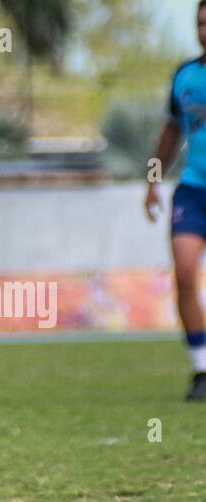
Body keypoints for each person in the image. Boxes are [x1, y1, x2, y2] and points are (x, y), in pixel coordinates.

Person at [146, 0, 206, 402]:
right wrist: (152, 181)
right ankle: (202, 368)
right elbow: (170, 134)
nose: (205, 30)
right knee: (184, 275)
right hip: (193, 189)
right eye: (201, 23)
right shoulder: (184, 76)